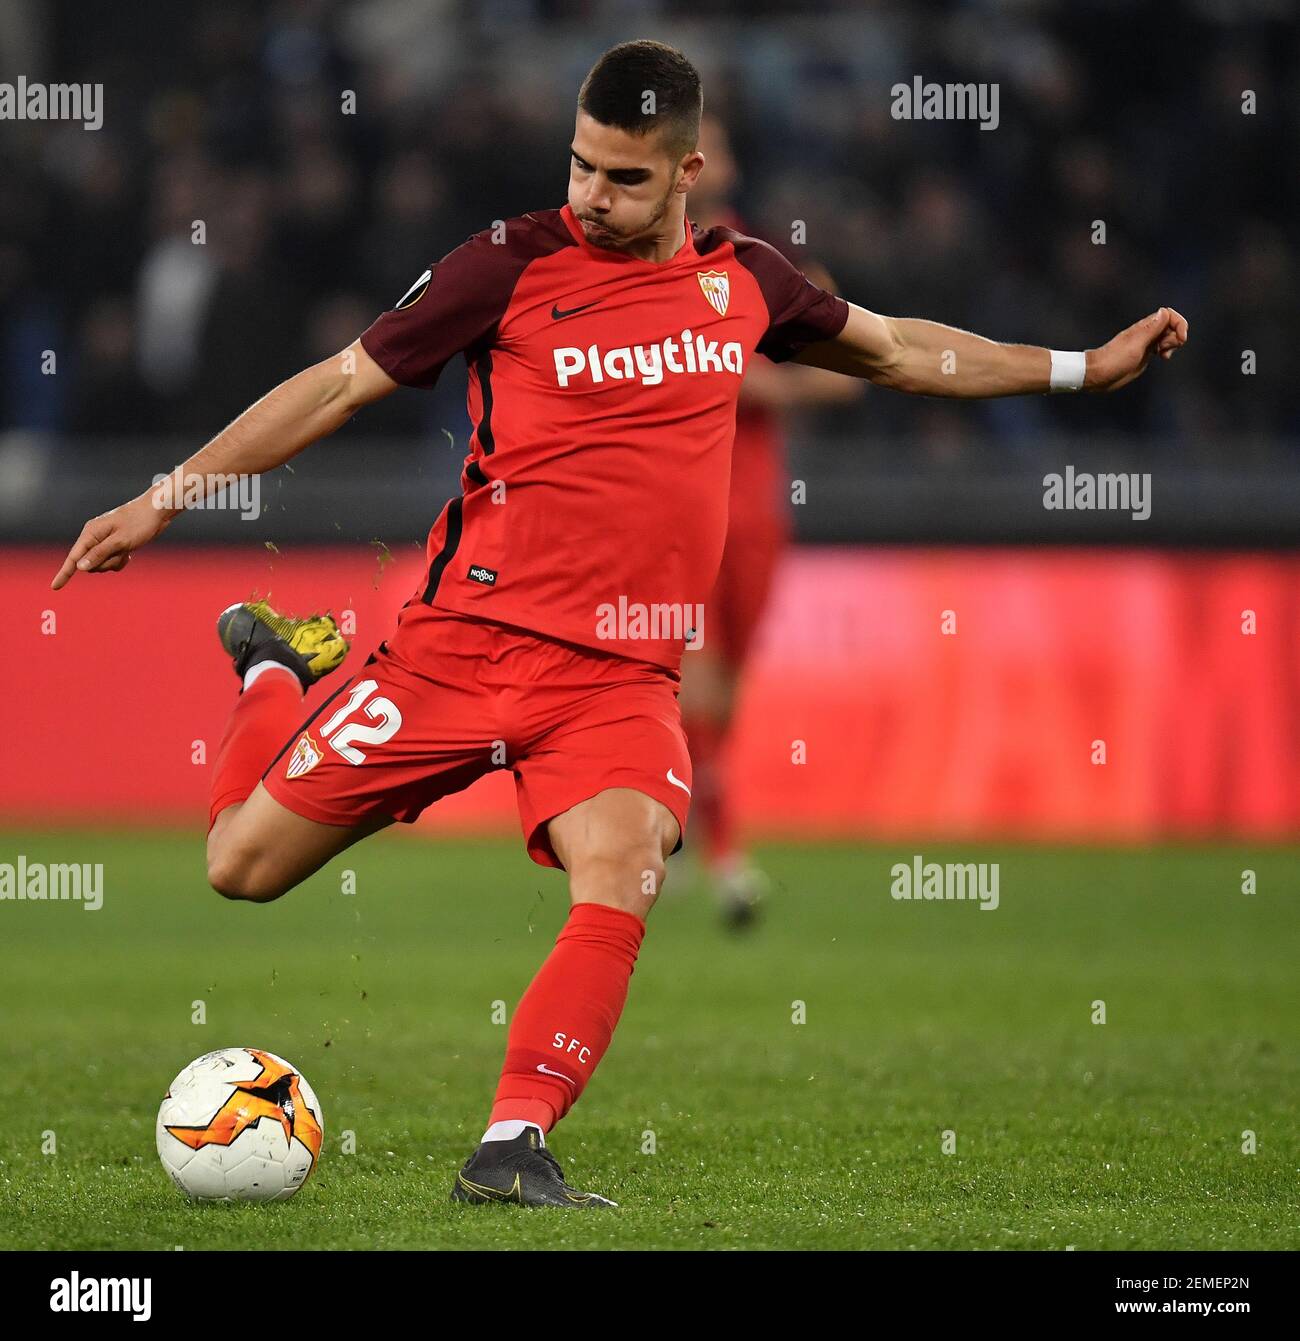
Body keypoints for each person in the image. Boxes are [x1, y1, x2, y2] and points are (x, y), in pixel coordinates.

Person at [51, 39, 1188, 1209]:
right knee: (237, 865)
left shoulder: (746, 281)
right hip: (460, 648)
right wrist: (163, 497)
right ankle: (275, 672)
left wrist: (1074, 371)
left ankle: (510, 1146)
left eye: (624, 178)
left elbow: (898, 349)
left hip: (616, 677)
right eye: (581, 166)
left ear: (688, 169)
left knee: (625, 864)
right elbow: (338, 384)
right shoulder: (505, 263)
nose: (591, 195)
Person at [678, 113, 863, 927]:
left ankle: (681, 824)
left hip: (756, 510)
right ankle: (727, 862)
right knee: (698, 681)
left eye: (718, 146)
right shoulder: (641, 270)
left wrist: (766, 385)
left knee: (728, 691)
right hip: (679, 510)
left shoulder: (766, 266)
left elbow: (852, 371)